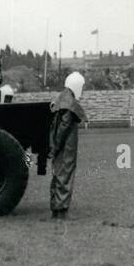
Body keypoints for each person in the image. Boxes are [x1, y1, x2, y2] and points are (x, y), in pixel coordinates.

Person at [49, 71, 87, 220]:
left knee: (58, 175)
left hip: (60, 147)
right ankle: (62, 211)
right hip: (66, 148)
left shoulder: (61, 99)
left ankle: (55, 209)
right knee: (65, 176)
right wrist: (57, 146)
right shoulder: (70, 104)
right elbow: (64, 128)